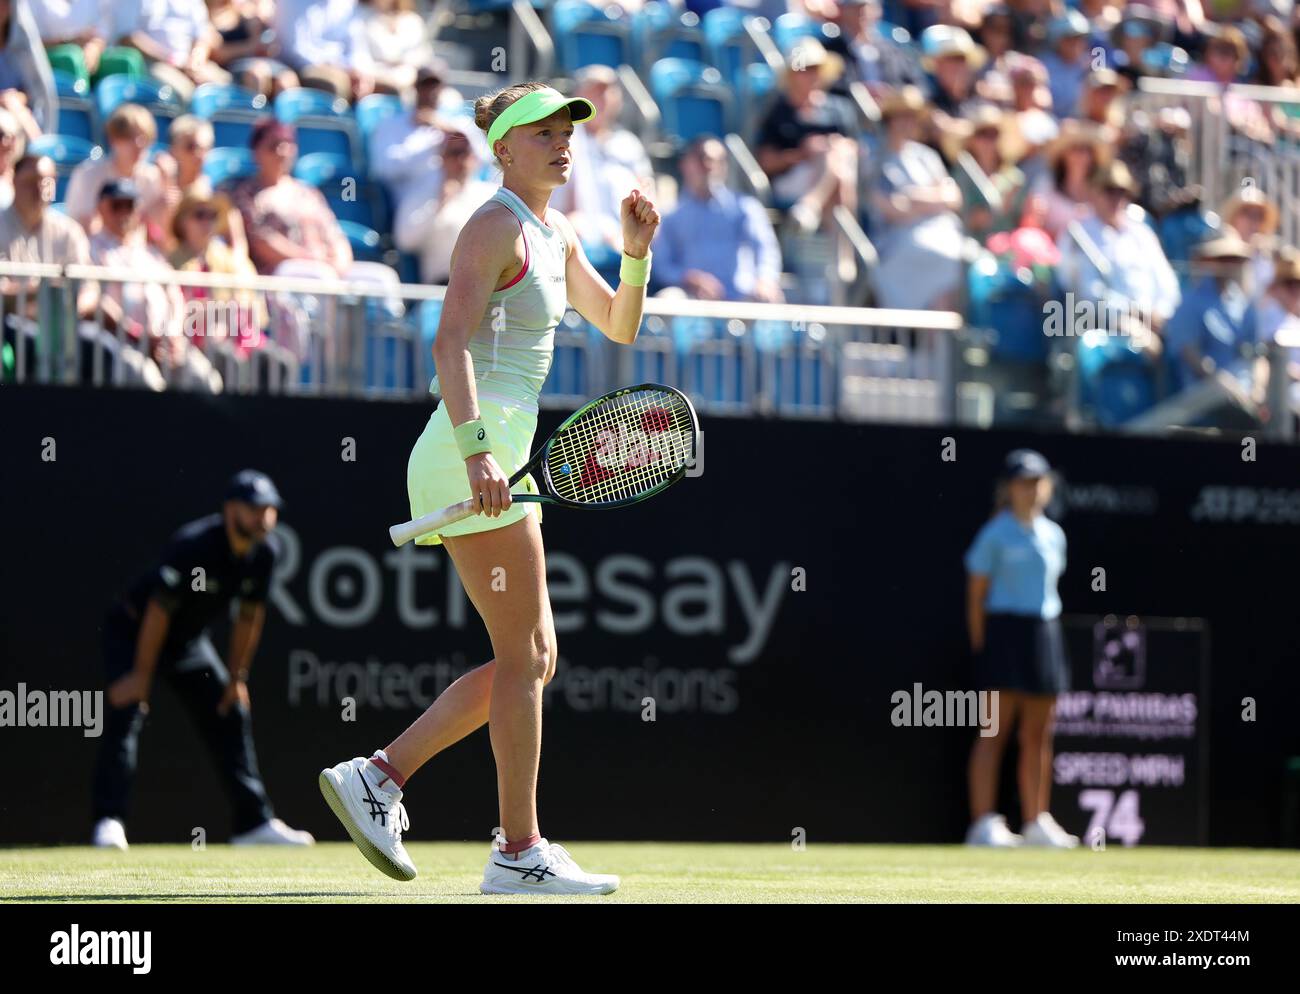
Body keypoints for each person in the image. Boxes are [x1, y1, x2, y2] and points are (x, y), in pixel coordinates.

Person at [318, 80, 661, 894]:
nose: (561, 141)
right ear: (504, 149)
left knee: (532, 659)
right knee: (526, 655)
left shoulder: (559, 233)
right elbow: (449, 345)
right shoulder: (493, 223)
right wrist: (477, 453)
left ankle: (381, 776)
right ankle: (516, 850)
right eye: (541, 132)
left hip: (502, 450)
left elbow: (619, 324)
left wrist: (636, 251)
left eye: (566, 130)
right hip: (468, 449)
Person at [93, 471, 315, 850]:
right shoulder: (193, 546)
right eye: (253, 509)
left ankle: (252, 824)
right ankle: (109, 822)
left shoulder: (266, 553)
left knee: (230, 711)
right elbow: (158, 612)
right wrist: (141, 675)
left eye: (269, 510)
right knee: (127, 711)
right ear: (230, 510)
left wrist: (236, 677)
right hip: (134, 631)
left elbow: (249, 617)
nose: (263, 518)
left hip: (187, 643)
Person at [964, 448, 1079, 849]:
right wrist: (986, 647)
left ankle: (1035, 822)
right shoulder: (994, 534)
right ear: (1009, 488)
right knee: (994, 731)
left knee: (1038, 735)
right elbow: (975, 595)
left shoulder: (1054, 535)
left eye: (1036, 482)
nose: (1030, 490)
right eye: (1023, 483)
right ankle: (982, 824)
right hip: (1003, 635)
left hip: (1043, 633)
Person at [89, 177, 224, 391]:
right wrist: (137, 334)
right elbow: (95, 300)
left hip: (165, 341)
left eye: (130, 205)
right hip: (122, 340)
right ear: (101, 208)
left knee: (206, 380)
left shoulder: (149, 252)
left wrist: (173, 334)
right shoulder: (91, 248)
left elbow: (174, 296)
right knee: (149, 381)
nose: (124, 212)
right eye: (117, 205)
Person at [547, 65, 655, 280]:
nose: (603, 98)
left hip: (624, 245)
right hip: (577, 244)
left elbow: (649, 192)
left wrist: (635, 236)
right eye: (595, 91)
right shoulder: (565, 140)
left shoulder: (629, 145)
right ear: (579, 96)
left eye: (609, 91)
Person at [652, 135, 784, 302]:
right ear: (685, 165)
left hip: (742, 297)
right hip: (693, 297)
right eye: (702, 159)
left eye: (718, 160)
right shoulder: (671, 215)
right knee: (667, 299)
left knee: (770, 296)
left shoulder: (746, 208)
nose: (709, 166)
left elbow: (765, 249)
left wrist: (765, 279)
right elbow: (662, 266)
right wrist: (689, 278)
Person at [868, 85, 964, 310]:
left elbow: (953, 197)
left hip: (941, 233)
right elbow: (891, 210)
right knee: (941, 258)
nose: (907, 123)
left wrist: (915, 197)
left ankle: (936, 342)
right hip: (896, 242)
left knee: (957, 265)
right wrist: (934, 201)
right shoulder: (875, 160)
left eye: (912, 117)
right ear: (889, 120)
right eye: (901, 117)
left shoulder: (926, 156)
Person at [755, 35, 859, 234]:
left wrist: (832, 146)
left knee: (838, 165)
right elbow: (765, 161)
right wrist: (802, 153)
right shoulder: (777, 112)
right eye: (804, 68)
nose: (811, 74)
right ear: (792, 74)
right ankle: (845, 258)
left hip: (835, 172)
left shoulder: (839, 108)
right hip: (794, 177)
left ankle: (809, 207)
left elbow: (855, 147)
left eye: (815, 68)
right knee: (841, 176)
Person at [232, 117, 352, 275]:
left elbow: (335, 234)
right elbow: (262, 242)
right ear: (256, 152)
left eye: (288, 144)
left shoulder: (308, 191)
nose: (282, 152)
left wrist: (340, 262)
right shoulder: (248, 193)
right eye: (274, 146)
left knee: (381, 278)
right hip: (284, 273)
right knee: (319, 276)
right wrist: (313, 261)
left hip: (324, 268)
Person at [392, 119, 497, 285]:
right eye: (454, 153)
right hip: (443, 288)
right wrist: (440, 203)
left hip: (491, 285)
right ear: (442, 157)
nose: (460, 159)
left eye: (466, 152)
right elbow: (405, 241)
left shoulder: (492, 195)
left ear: (475, 157)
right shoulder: (422, 194)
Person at [64, 103, 169, 243]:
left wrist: (169, 183)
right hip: (95, 253)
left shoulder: (152, 177)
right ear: (113, 139)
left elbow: (161, 236)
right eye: (129, 137)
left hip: (137, 256)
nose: (138, 144)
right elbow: (82, 229)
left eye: (144, 137)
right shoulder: (88, 174)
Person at [367, 59, 463, 202]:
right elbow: (382, 169)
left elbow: (482, 156)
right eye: (425, 85)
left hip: (456, 198)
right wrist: (426, 149)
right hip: (411, 201)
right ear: (415, 88)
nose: (431, 91)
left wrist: (445, 128)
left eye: (436, 85)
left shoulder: (455, 122)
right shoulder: (391, 124)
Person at [112, 0, 233, 102]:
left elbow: (202, 36)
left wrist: (195, 63)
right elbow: (127, 38)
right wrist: (171, 60)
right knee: (188, 95)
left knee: (230, 90)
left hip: (190, 64)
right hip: (152, 64)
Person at [0, 0, 56, 136]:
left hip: (18, 120)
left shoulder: (21, 47)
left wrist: (15, 98)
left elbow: (35, 91)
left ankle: (37, 152)